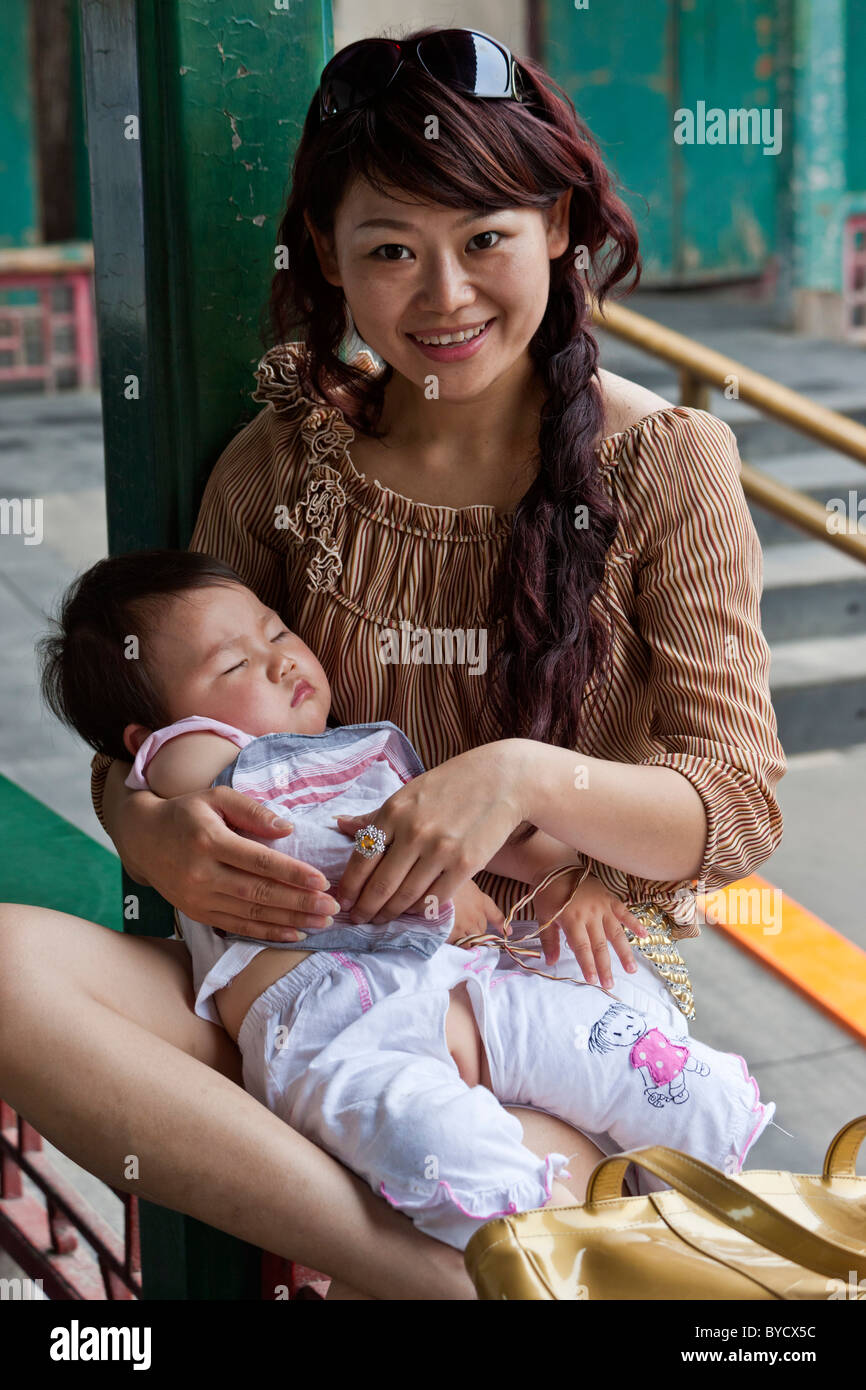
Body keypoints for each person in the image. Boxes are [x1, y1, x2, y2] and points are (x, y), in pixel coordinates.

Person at [0, 26, 785, 1297]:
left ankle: (430, 1251)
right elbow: (143, 721)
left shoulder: (661, 467)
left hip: (543, 1004)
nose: (442, 297)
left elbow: (736, 804)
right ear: (327, 258)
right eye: (388, 252)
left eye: (483, 239)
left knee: (495, 1187)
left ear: (559, 223)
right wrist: (149, 830)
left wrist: (524, 779)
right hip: (308, 984)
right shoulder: (286, 464)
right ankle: (426, 1260)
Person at [37, 548, 776, 1251]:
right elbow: (289, 839)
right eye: (235, 663)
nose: (282, 658)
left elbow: (493, 830)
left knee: (639, 1064)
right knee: (443, 1150)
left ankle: (709, 1190)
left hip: (474, 987)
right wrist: (435, 889)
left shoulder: (351, 752)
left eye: (279, 630)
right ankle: (523, 1233)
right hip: (333, 1026)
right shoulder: (201, 764)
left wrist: (575, 876)